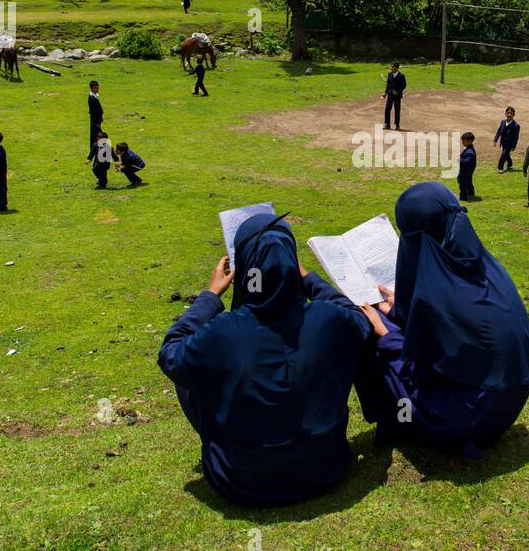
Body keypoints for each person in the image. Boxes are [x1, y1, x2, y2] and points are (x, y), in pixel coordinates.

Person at [157, 212, 374, 507]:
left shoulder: (223, 332)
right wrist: (310, 279)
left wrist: (210, 295)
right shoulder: (329, 320)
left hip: (242, 483)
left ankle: (237, 446)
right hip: (325, 469)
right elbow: (357, 318)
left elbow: (170, 352)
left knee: (190, 370)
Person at [353, 183, 529, 458]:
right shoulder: (484, 267)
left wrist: (385, 335)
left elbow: (421, 374)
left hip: (472, 420)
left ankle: (399, 422)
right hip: (509, 402)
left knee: (374, 337)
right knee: (386, 318)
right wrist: (398, 310)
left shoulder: (434, 296)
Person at [493, 106, 520, 171]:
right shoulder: (502, 122)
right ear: (505, 113)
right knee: (506, 154)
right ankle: (510, 164)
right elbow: (499, 131)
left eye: (511, 113)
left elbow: (516, 137)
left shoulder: (516, 126)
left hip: (509, 144)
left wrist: (514, 146)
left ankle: (500, 168)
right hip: (503, 142)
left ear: (514, 115)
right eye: (508, 113)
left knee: (503, 155)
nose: (509, 115)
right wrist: (495, 140)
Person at [382, 62, 406, 130]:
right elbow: (388, 85)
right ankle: (387, 124)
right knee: (387, 110)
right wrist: (385, 93)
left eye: (392, 67)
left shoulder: (401, 76)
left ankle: (397, 125)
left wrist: (397, 91)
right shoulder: (389, 74)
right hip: (390, 95)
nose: (391, 68)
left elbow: (404, 85)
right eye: (391, 67)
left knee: (397, 110)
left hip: (397, 96)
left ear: (396, 68)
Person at [457, 132, 477, 201]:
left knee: (462, 183)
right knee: (468, 181)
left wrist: (459, 160)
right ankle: (471, 193)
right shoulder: (469, 148)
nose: (462, 142)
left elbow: (467, 162)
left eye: (463, 141)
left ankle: (463, 196)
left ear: (470, 141)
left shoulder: (470, 152)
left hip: (465, 171)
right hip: (468, 171)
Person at [87, 81, 104, 151]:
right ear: (92, 88)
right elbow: (94, 112)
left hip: (96, 119)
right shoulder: (92, 98)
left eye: (97, 87)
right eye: (95, 88)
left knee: (97, 135)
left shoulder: (94, 96)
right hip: (95, 120)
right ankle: (94, 150)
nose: (97, 89)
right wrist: (98, 122)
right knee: (96, 135)